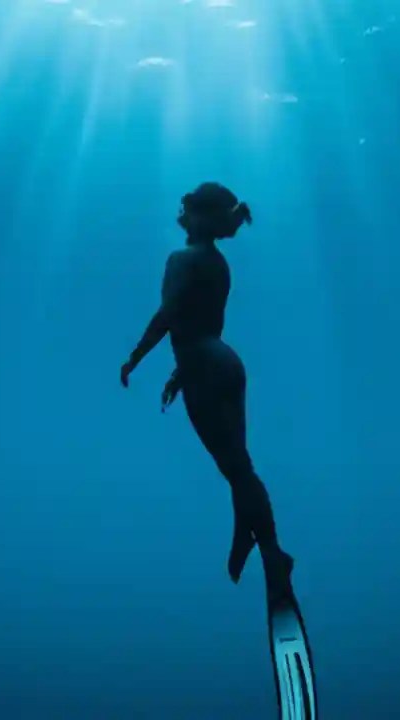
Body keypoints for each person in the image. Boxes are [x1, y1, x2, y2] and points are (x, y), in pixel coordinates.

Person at [119, 182, 295, 597]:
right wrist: (180, 374)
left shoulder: (181, 259)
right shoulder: (218, 263)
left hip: (203, 367)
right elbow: (205, 322)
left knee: (236, 469)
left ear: (197, 215)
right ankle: (247, 538)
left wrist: (136, 357)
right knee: (238, 466)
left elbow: (169, 316)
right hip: (224, 361)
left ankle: (271, 551)